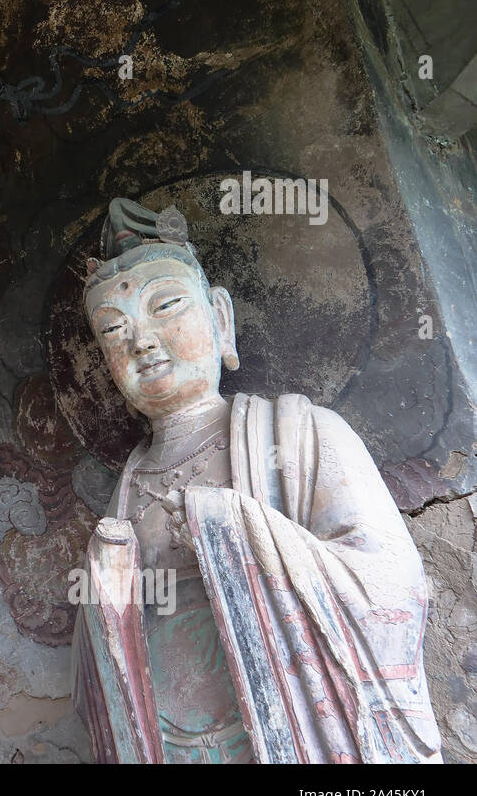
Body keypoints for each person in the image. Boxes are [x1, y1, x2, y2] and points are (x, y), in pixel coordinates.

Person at [71, 197, 442, 763]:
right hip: (166, 745)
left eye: (167, 306)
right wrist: (106, 591)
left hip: (290, 733)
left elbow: (394, 584)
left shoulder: (301, 433)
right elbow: (93, 679)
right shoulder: (125, 488)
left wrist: (233, 528)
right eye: (113, 331)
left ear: (220, 317)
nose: (141, 341)